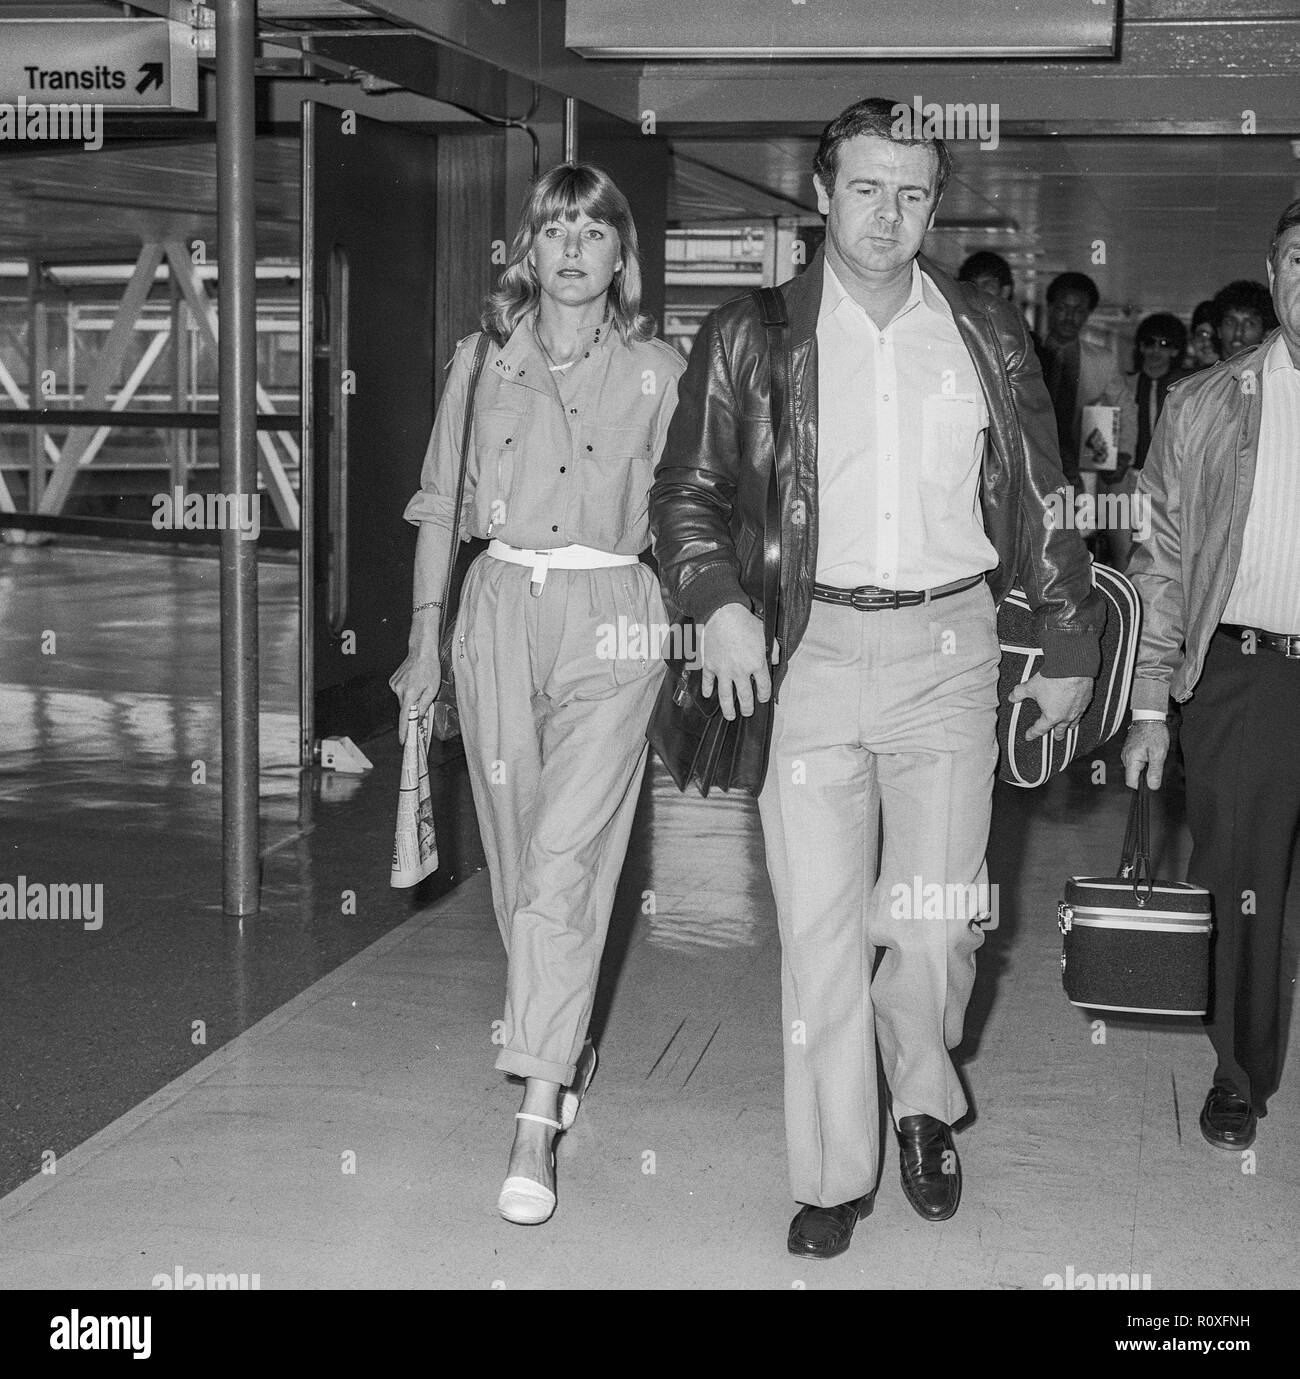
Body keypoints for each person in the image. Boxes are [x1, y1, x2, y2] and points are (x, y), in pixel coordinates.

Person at [651, 96, 1103, 1261]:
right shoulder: (753, 334)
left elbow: (1043, 500)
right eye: (866, 186)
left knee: (938, 924)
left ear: (934, 203)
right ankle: (835, 1163)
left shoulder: (987, 331)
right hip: (804, 655)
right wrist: (717, 603)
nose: (889, 212)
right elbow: (686, 494)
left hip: (948, 651)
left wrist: (1065, 645)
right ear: (818, 192)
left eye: (912, 192)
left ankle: (919, 1093)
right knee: (819, 934)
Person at [391, 164, 684, 1225]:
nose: (571, 247)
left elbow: (694, 506)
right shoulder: (480, 362)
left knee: (567, 857)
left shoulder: (659, 369)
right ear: (530, 247)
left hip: (615, 613)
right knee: (522, 863)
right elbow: (437, 506)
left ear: (621, 256)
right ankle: (560, 1034)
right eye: (554, 227)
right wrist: (424, 643)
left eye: (593, 230)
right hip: (499, 607)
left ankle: (536, 1112)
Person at [1122, 198, 1300, 1153]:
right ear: (1273, 279)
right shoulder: (1200, 406)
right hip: (1245, 674)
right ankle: (1238, 1073)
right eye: (1299, 257)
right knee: (1242, 881)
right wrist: (1151, 704)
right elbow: (1159, 561)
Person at [1105, 313, 1190, 569]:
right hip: (1125, 483)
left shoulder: (1187, 389)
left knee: (1158, 561)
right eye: (1149, 343)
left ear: (1176, 350)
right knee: (1123, 560)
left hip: (1167, 487)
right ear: (1140, 346)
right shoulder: (1119, 386)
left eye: (1164, 345)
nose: (1155, 350)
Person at [1038, 271, 1136, 493]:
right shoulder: (1029, 352)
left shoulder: (1102, 361)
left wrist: (1123, 453)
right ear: (1050, 307)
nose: (1069, 318)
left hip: (1077, 472)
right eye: (1063, 308)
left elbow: (1127, 408)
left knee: (1074, 525)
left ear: (1088, 314)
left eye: (1079, 311)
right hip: (1031, 464)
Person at [1210, 279, 1278, 359]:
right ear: (1219, 330)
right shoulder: (1199, 372)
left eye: (1249, 324)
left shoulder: (1278, 371)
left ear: (1266, 334)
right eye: (1230, 323)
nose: (1238, 333)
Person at [1187, 300, 1221, 371]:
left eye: (1215, 336)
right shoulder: (1180, 379)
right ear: (1192, 338)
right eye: (1202, 335)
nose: (1207, 344)